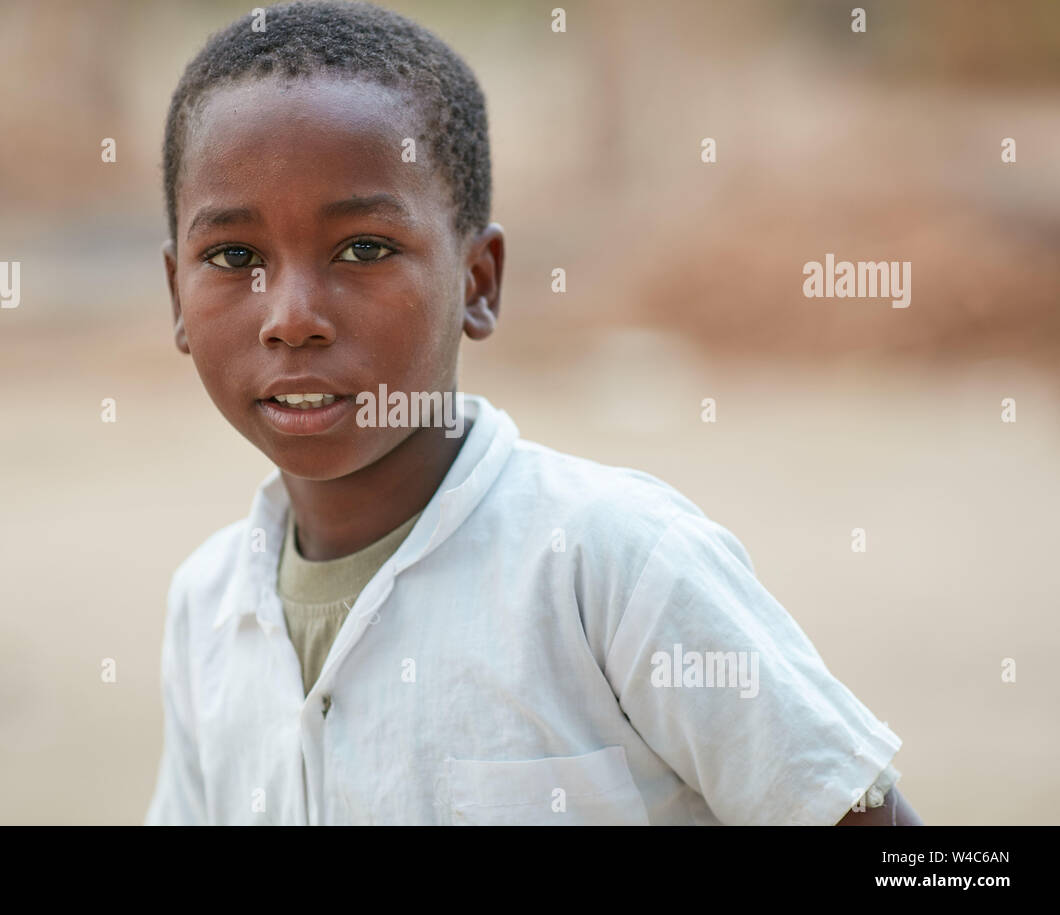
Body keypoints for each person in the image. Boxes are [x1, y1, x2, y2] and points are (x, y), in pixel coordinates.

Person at [144, 0, 921, 826]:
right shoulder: (206, 607)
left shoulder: (611, 564)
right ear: (177, 299)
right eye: (234, 257)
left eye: (364, 248)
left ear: (478, 281)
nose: (292, 315)